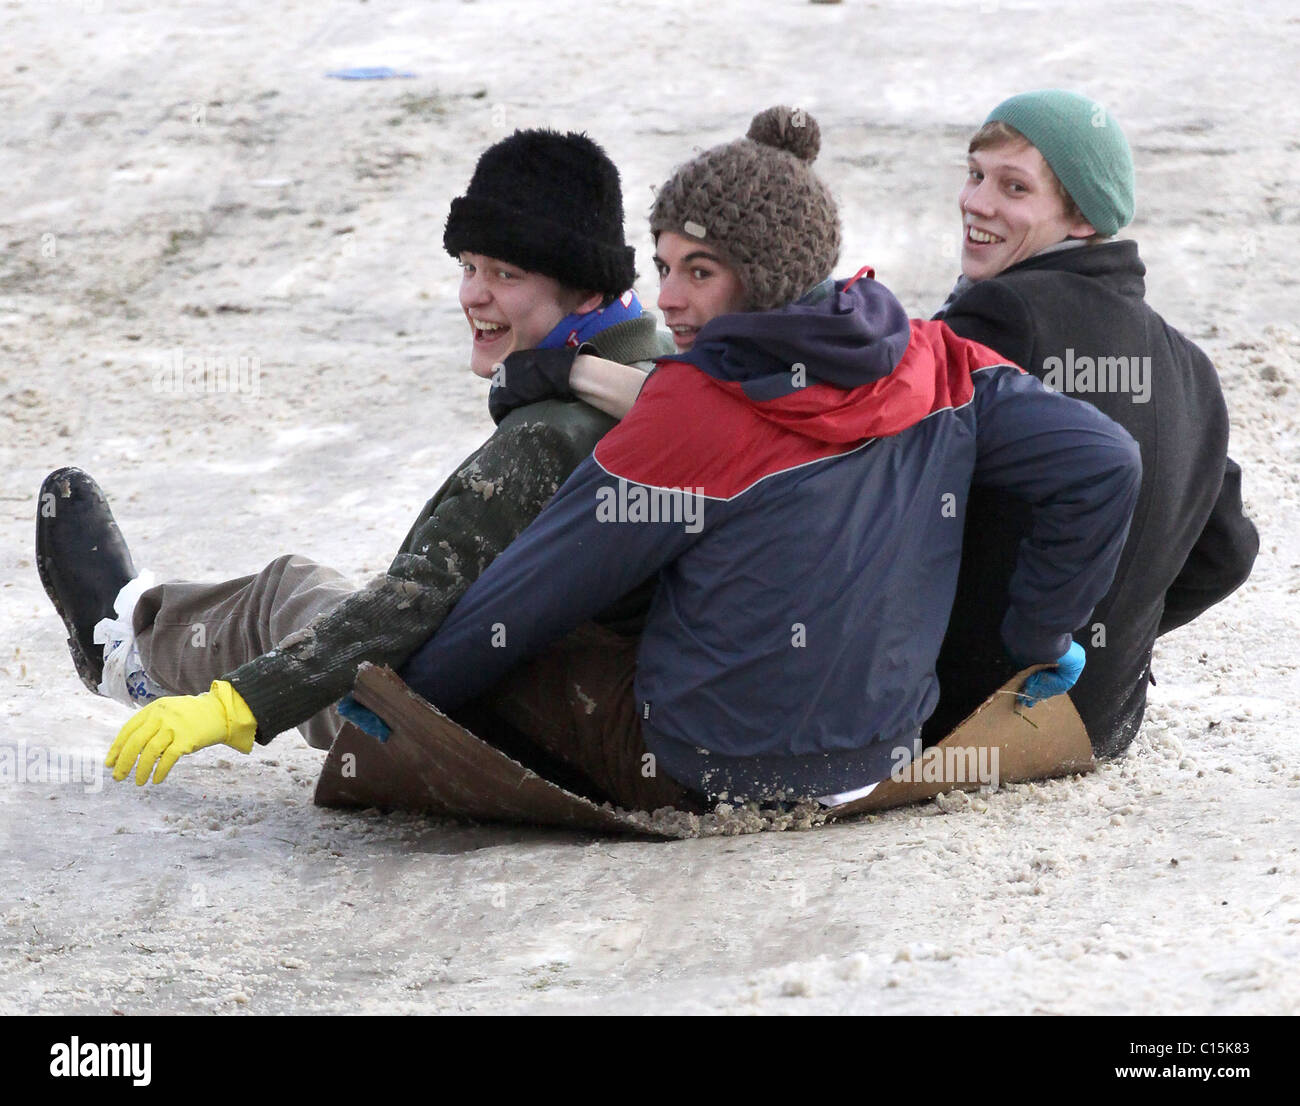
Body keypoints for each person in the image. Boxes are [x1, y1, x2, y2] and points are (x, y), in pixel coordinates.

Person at [392, 106, 1143, 811]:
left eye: (701, 272)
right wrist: (1040, 642)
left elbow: (526, 598)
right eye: (664, 267)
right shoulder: (938, 359)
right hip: (884, 756)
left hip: (709, 768)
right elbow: (1106, 462)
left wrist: (404, 704)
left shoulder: (692, 409)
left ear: (767, 273)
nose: (671, 300)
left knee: (490, 636)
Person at [36, 127, 670, 784]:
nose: (472, 295)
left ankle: (123, 648)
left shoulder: (556, 432)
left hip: (521, 733)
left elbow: (411, 600)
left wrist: (238, 705)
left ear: (589, 291)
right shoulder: (675, 384)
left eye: (506, 274)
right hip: (630, 710)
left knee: (289, 596)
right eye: (468, 267)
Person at [921, 90, 1260, 756]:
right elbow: (1227, 555)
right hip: (1096, 726)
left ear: (1079, 218)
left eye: (1014, 187)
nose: (977, 201)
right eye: (975, 173)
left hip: (959, 719)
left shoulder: (1001, 315)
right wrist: (1108, 635)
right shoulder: (1191, 369)